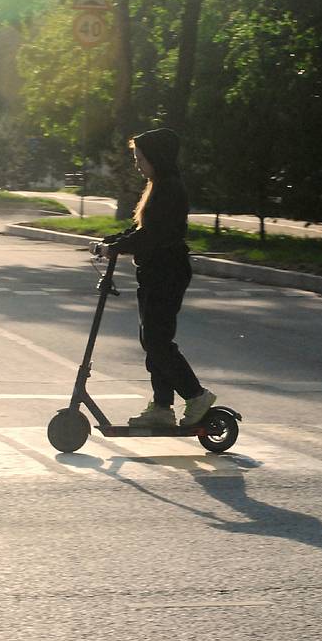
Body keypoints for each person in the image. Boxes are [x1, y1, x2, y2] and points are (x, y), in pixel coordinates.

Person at [95, 128, 216, 428]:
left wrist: (117, 248)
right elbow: (141, 230)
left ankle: (195, 395)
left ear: (156, 158)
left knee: (156, 340)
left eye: (141, 158)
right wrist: (112, 241)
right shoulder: (159, 185)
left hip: (167, 271)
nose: (137, 163)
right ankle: (162, 406)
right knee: (152, 340)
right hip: (155, 271)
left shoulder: (169, 189)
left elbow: (152, 234)